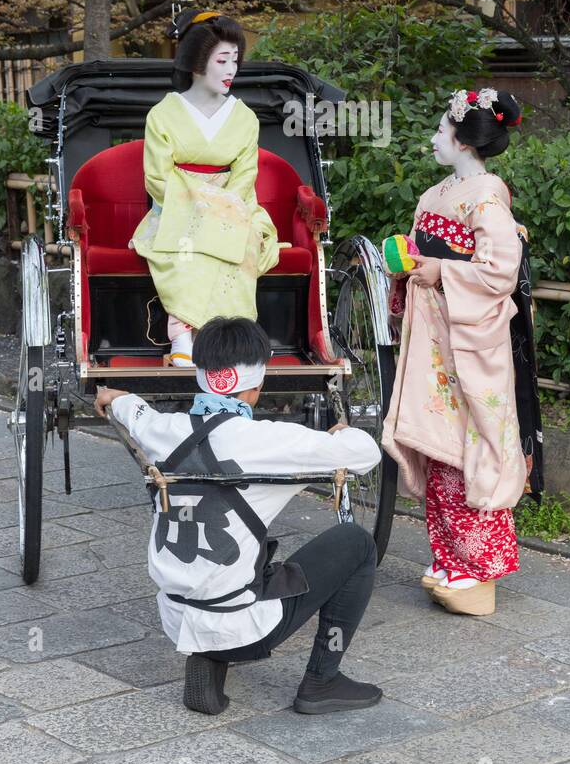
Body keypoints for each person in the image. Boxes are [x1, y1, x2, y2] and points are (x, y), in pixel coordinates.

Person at [94, 316, 384, 716]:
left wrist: (114, 396)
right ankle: (322, 680)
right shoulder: (272, 440)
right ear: (257, 385)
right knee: (355, 543)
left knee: (247, 545)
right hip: (242, 626)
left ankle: (209, 658)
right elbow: (366, 454)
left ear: (199, 375)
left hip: (175, 619)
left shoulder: (161, 428)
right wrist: (338, 435)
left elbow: (133, 411)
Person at [382, 86, 537, 617]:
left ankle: (475, 569)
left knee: (471, 450)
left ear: (463, 141)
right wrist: (405, 272)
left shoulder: (487, 197)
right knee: (437, 446)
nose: (432, 139)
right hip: (432, 333)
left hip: (468, 338)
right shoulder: (433, 196)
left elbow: (500, 272)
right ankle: (448, 557)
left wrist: (441, 270)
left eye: (439, 131)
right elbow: (419, 253)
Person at [129, 9, 279, 365]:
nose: (231, 70)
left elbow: (245, 174)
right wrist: (194, 207)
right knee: (188, 244)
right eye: (222, 60)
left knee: (238, 241)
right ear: (198, 62)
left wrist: (220, 208)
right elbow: (157, 176)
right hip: (176, 208)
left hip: (234, 206)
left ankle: (228, 343)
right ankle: (182, 335)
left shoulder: (244, 118)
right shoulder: (163, 115)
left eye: (235, 61)